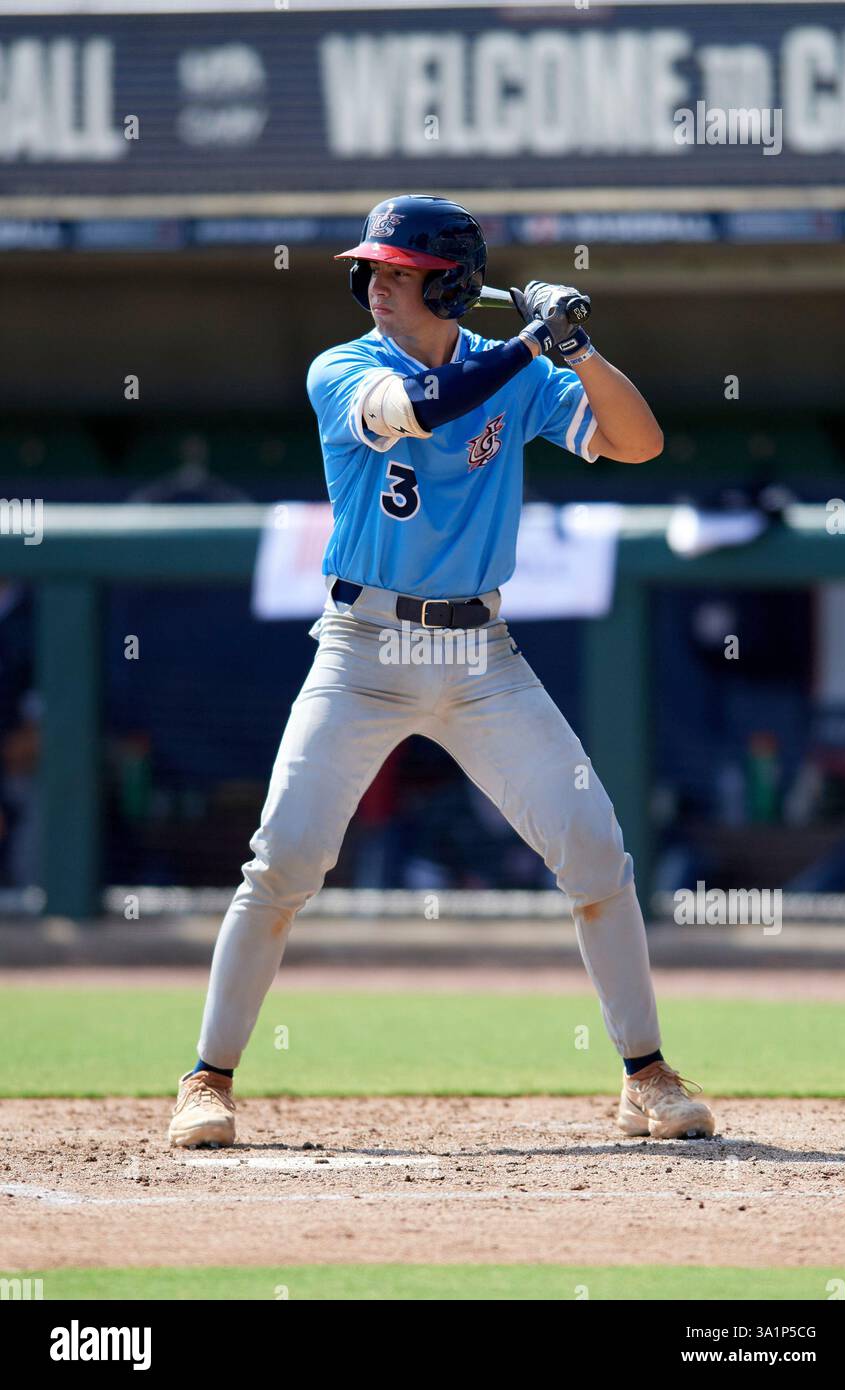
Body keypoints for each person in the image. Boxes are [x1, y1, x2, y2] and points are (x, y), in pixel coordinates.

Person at [167, 195, 714, 1148]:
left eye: (400, 271)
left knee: (593, 848)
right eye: (370, 269)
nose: (376, 284)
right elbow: (420, 410)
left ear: (451, 284)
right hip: (364, 650)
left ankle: (646, 1077)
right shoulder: (344, 367)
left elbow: (640, 442)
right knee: (284, 860)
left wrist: (577, 348)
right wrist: (530, 343)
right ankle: (206, 1079)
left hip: (480, 654)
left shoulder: (520, 373)